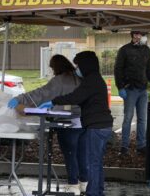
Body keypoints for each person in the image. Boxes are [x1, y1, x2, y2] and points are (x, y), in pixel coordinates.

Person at [7, 54, 88, 195]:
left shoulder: (59, 81)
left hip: (67, 124)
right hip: (85, 122)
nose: (51, 71)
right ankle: (85, 184)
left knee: (70, 155)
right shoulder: (80, 79)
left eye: (51, 68)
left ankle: (73, 185)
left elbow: (40, 93)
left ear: (56, 67)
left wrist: (19, 98)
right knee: (82, 155)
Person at [38, 51, 113, 196]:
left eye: (78, 65)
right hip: (103, 125)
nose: (77, 69)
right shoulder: (95, 79)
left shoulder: (91, 80)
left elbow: (76, 97)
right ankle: (97, 191)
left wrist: (53, 101)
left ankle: (93, 193)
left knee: (93, 163)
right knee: (96, 162)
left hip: (96, 127)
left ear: (86, 65)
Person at [114, 29, 150, 156]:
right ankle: (124, 146)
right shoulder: (124, 50)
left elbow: (149, 68)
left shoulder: (146, 50)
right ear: (134, 35)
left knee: (143, 119)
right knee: (127, 118)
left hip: (142, 89)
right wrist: (120, 87)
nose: (143, 37)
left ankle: (141, 145)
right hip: (130, 89)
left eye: (143, 35)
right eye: (141, 34)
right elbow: (118, 69)